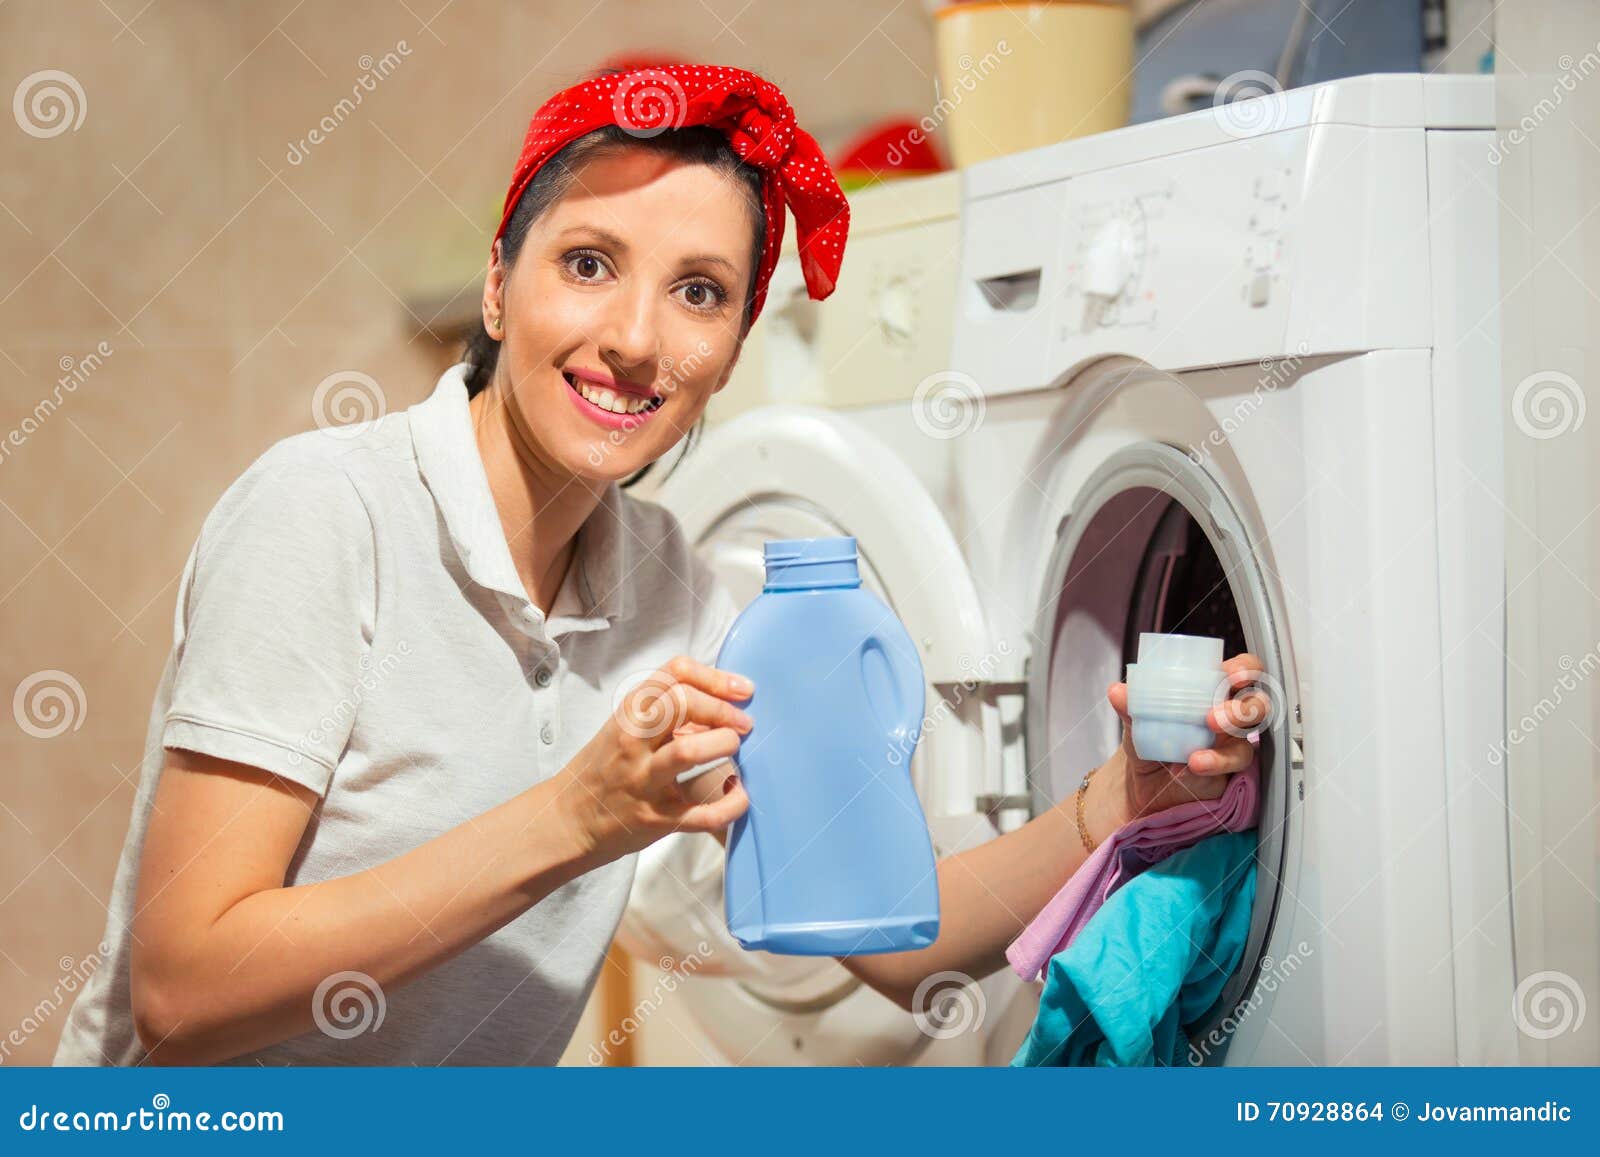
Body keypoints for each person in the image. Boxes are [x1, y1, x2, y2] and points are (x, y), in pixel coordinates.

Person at [53, 64, 1266, 1067]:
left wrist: (1117, 803)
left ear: (733, 347)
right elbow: (184, 980)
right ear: (495, 283)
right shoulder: (325, 514)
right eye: (587, 263)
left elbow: (891, 940)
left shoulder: (684, 595)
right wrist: (576, 818)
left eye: (698, 291)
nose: (633, 340)